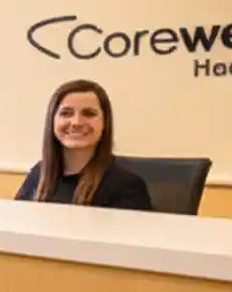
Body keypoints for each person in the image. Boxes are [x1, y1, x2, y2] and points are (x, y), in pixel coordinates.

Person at [15, 79, 153, 210]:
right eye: (66, 113)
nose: (76, 122)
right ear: (52, 121)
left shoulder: (126, 186)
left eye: (89, 114)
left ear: (105, 123)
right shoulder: (39, 173)